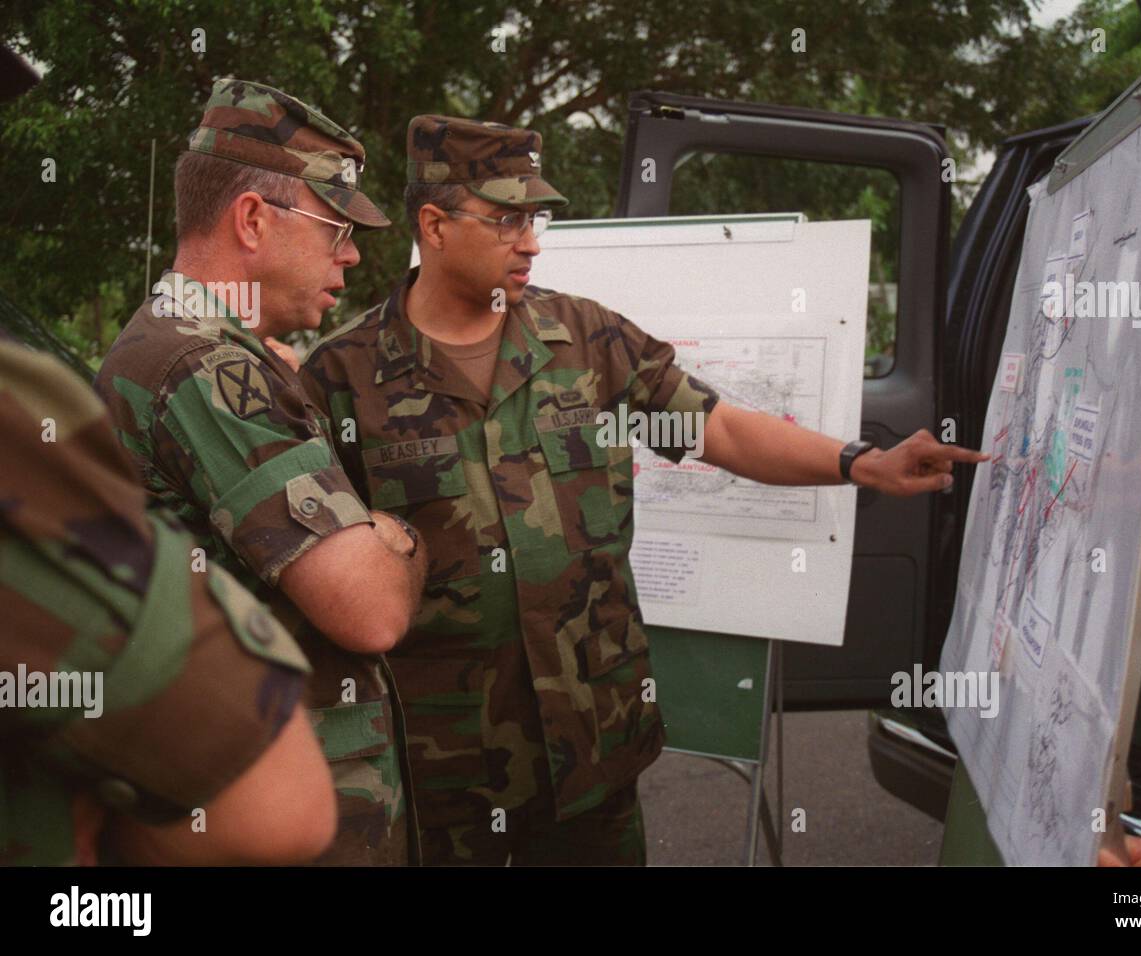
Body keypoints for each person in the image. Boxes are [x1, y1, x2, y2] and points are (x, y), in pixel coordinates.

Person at [301, 114, 988, 865]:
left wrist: (861, 462)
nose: (530, 241)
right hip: (442, 773)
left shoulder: (587, 339)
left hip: (594, 748)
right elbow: (321, 582)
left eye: (535, 219)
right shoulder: (343, 376)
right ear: (434, 225)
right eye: (505, 220)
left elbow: (718, 429)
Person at [94, 79, 428, 865]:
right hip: (274, 819)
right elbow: (370, 609)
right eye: (335, 230)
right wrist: (400, 539)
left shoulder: (187, 351)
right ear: (252, 219)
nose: (348, 261)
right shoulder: (206, 370)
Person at [0, 334, 337, 865]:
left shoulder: (153, 350)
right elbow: (368, 612)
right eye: (336, 242)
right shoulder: (193, 364)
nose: (349, 262)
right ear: (253, 241)